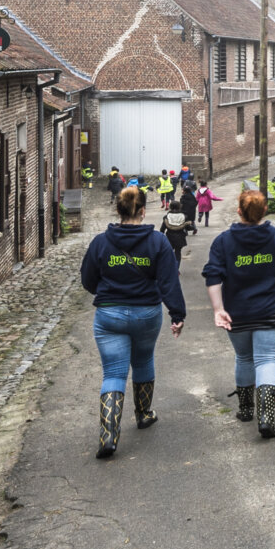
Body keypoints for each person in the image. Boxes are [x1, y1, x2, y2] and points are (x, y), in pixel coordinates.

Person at [79, 186, 185, 458]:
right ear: (142, 211)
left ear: (119, 210)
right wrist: (177, 314)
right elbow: (168, 282)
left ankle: (108, 436)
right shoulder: (158, 243)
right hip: (146, 314)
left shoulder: (101, 243)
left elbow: (88, 279)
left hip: (109, 316)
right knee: (143, 360)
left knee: (113, 373)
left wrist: (109, 294)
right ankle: (144, 413)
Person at [203, 188, 275, 439]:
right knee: (267, 359)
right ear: (264, 211)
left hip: (238, 312)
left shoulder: (224, 242)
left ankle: (246, 408)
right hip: (272, 310)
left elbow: (213, 275)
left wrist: (219, 309)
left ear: (239, 211)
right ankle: (267, 416)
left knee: (244, 358)